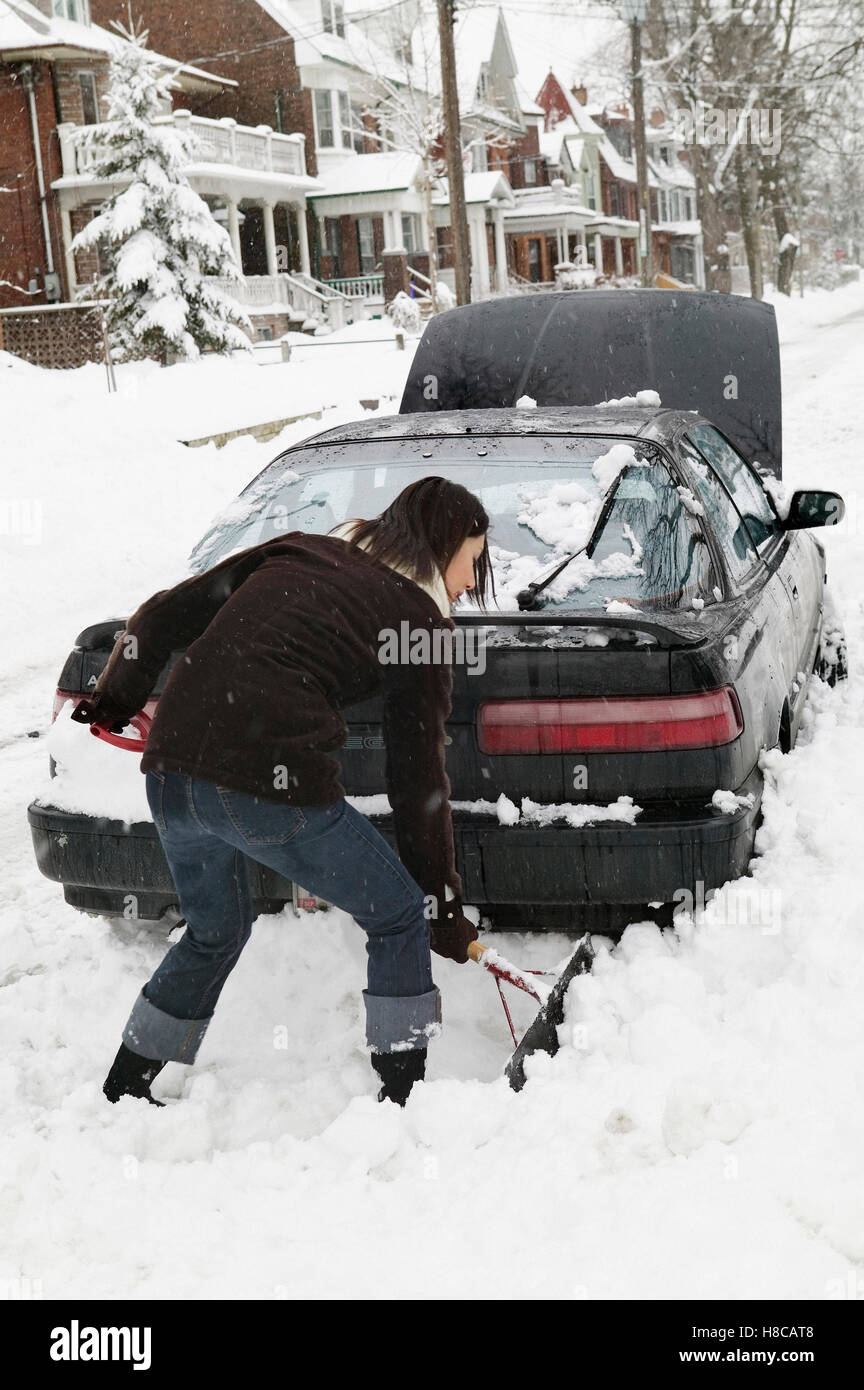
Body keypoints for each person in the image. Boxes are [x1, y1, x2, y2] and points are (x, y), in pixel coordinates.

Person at [71, 476, 494, 1108]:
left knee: (214, 933)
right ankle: (405, 1105)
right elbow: (418, 781)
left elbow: (162, 614)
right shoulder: (420, 626)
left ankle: (122, 1094)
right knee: (399, 915)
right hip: (263, 786)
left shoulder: (297, 549)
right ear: (446, 545)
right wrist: (442, 910)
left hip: (170, 775)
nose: (470, 580)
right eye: (474, 559)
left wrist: (114, 698)